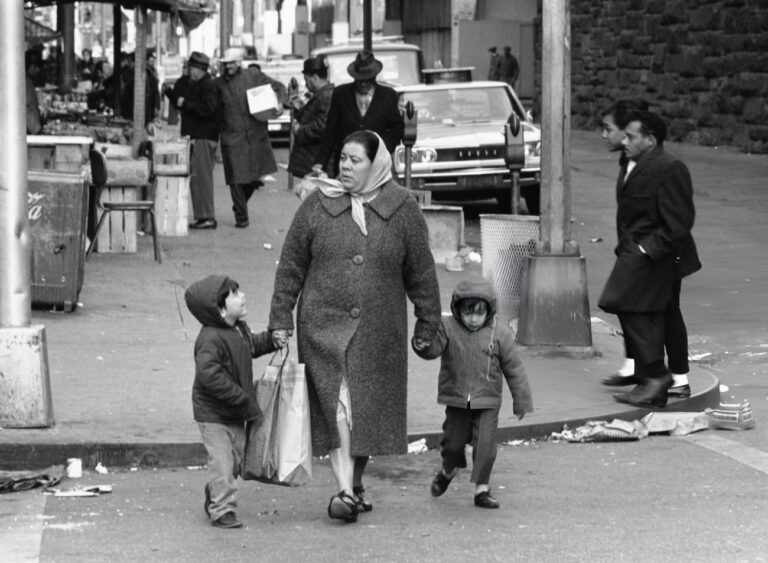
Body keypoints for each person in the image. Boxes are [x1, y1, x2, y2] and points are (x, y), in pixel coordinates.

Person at [269, 130, 442, 524]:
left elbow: (422, 272)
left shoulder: (403, 209)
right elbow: (291, 266)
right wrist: (280, 319)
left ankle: (355, 484)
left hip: (380, 331)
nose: (345, 166)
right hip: (322, 325)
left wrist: (428, 321)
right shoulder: (318, 205)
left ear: (376, 164)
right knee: (340, 407)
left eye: (355, 160)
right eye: (342, 158)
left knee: (363, 410)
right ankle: (344, 491)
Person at [598, 111, 701, 409]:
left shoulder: (669, 167)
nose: (623, 140)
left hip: (656, 255)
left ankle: (660, 376)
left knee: (629, 303)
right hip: (633, 250)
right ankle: (651, 382)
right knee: (636, 309)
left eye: (630, 137)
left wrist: (646, 251)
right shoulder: (633, 162)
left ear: (650, 140)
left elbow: (680, 221)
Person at [413, 279, 533, 509]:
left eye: (480, 313)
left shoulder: (499, 333)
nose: (474, 319)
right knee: (452, 444)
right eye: (468, 313)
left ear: (489, 311)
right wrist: (423, 345)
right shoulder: (448, 327)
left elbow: (514, 368)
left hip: (487, 399)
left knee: (486, 446)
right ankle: (448, 471)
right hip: (457, 398)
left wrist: (522, 401)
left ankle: (482, 489)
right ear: (458, 310)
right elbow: (434, 349)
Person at [184, 274, 277, 529]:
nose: (243, 296)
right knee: (223, 464)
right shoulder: (210, 338)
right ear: (220, 307)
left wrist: (270, 341)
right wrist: (241, 396)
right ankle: (223, 510)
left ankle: (215, 491)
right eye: (235, 294)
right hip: (213, 414)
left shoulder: (239, 329)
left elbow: (252, 346)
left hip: (236, 411)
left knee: (235, 462)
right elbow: (208, 375)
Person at [216, 47, 287, 228]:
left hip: (256, 136)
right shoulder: (218, 84)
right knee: (236, 179)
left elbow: (279, 87)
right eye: (225, 64)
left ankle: (239, 206)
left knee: (254, 178)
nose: (228, 67)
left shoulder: (253, 75)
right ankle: (242, 217)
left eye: (231, 63)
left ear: (239, 62)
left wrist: (279, 103)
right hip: (231, 138)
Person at [313, 51, 404, 177]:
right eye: (359, 79)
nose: (362, 83)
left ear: (374, 77)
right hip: (346, 164)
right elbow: (331, 131)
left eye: (367, 80)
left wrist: (383, 151)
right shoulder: (340, 94)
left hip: (375, 165)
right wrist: (320, 162)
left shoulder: (388, 96)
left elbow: (397, 128)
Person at [165, 51, 220, 230]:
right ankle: (202, 216)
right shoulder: (187, 83)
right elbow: (178, 99)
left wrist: (185, 103)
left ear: (202, 70)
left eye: (195, 69)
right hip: (193, 136)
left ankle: (207, 217)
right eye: (190, 68)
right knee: (196, 178)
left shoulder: (209, 86)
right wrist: (170, 93)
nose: (191, 72)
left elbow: (208, 109)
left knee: (202, 178)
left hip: (204, 136)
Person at [287, 56, 334, 181]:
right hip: (312, 160)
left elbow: (322, 126)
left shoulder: (326, 95)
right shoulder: (321, 94)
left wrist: (299, 131)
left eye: (306, 80)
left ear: (314, 78)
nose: (306, 84)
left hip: (316, 160)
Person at [25, 50, 43, 134]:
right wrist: (36, 129)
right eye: (36, 67)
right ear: (31, 66)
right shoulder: (24, 81)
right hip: (29, 130)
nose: (38, 70)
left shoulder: (28, 79)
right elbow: (24, 108)